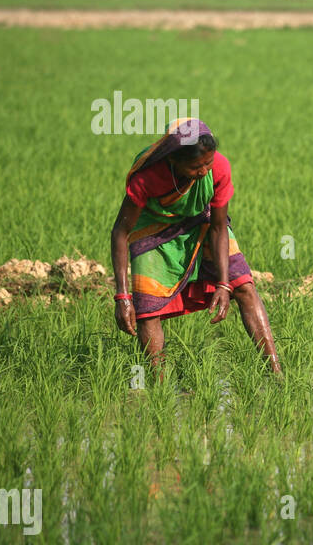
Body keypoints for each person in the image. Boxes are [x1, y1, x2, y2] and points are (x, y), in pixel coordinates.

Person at [110, 118, 281, 374]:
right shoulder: (148, 178)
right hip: (154, 229)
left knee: (243, 284)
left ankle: (276, 372)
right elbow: (120, 233)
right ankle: (160, 389)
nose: (203, 172)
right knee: (147, 308)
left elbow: (218, 227)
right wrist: (123, 297)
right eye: (194, 167)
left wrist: (223, 283)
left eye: (207, 164)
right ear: (173, 160)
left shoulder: (219, 168)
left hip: (203, 222)